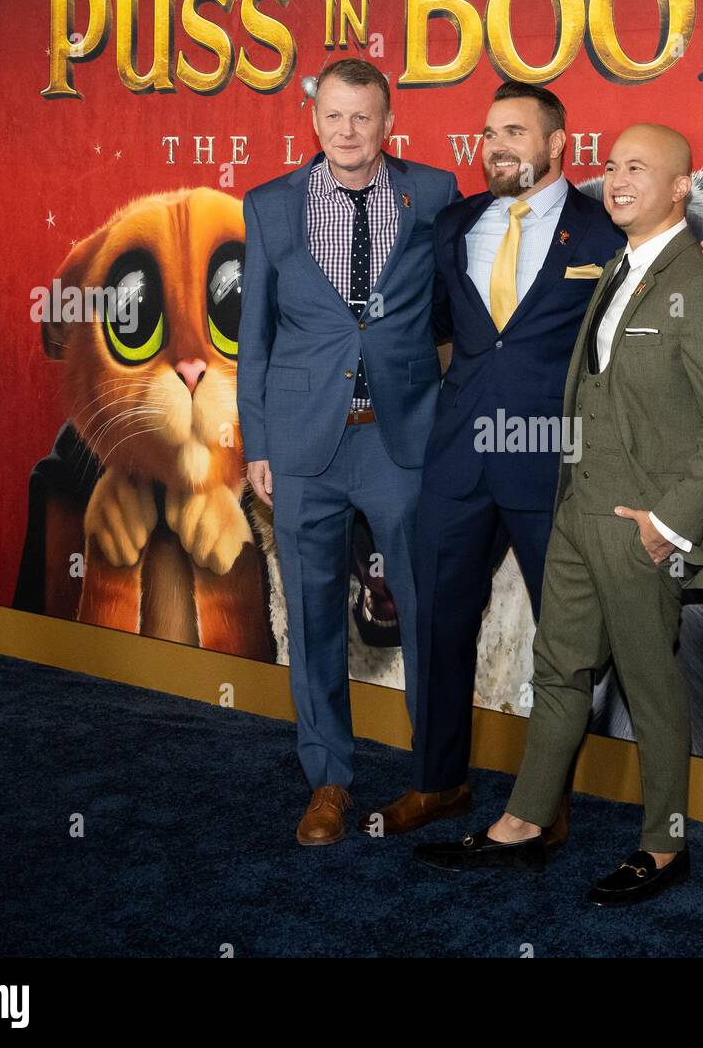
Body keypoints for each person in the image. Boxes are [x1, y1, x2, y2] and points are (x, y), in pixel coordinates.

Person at [361, 86, 703, 843]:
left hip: (559, 467)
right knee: (437, 623)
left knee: (566, 646)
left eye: (515, 131)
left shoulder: (610, 228)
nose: (496, 145)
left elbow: (674, 302)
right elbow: (439, 327)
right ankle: (439, 783)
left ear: (560, 143)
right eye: (489, 133)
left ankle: (546, 801)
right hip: (459, 460)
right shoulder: (455, 223)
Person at [236, 58, 457, 846]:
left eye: (363, 117)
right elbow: (253, 337)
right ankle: (328, 778)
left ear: (387, 120)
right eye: (334, 116)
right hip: (303, 446)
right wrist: (256, 441)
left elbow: (460, 301)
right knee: (313, 612)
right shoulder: (269, 206)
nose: (348, 132)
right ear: (314, 119)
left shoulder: (433, 193)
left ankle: (436, 776)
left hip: (402, 440)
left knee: (428, 611)